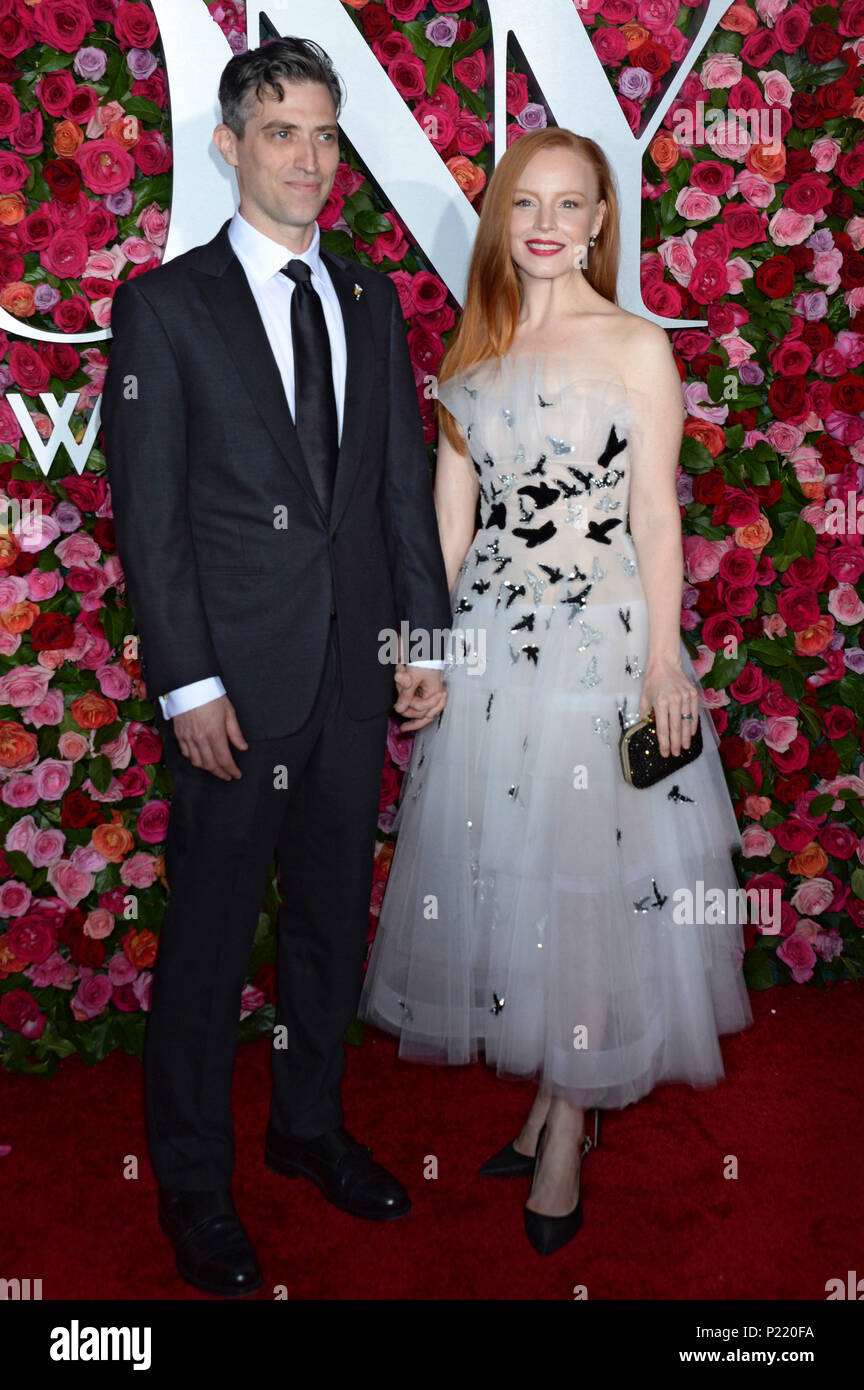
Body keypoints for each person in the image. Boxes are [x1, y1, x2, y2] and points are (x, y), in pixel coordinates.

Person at [360, 127, 754, 1256]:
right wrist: (420, 648)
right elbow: (449, 521)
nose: (545, 221)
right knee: (511, 873)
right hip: (493, 646)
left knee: (590, 876)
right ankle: (550, 1094)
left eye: (569, 204)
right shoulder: (469, 359)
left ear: (596, 224)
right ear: (503, 220)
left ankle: (574, 1121)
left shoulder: (636, 345)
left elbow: (658, 512)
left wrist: (666, 658)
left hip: (603, 645)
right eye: (525, 202)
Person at [101, 38, 451, 1297]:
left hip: (355, 674)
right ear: (230, 145)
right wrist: (187, 684)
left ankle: (307, 1127)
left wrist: (421, 633)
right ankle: (193, 1187)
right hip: (233, 693)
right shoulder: (166, 306)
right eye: (283, 132)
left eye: (324, 133)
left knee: (325, 927)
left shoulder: (368, 299)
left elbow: (401, 484)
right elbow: (151, 515)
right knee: (206, 944)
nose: (308, 159)